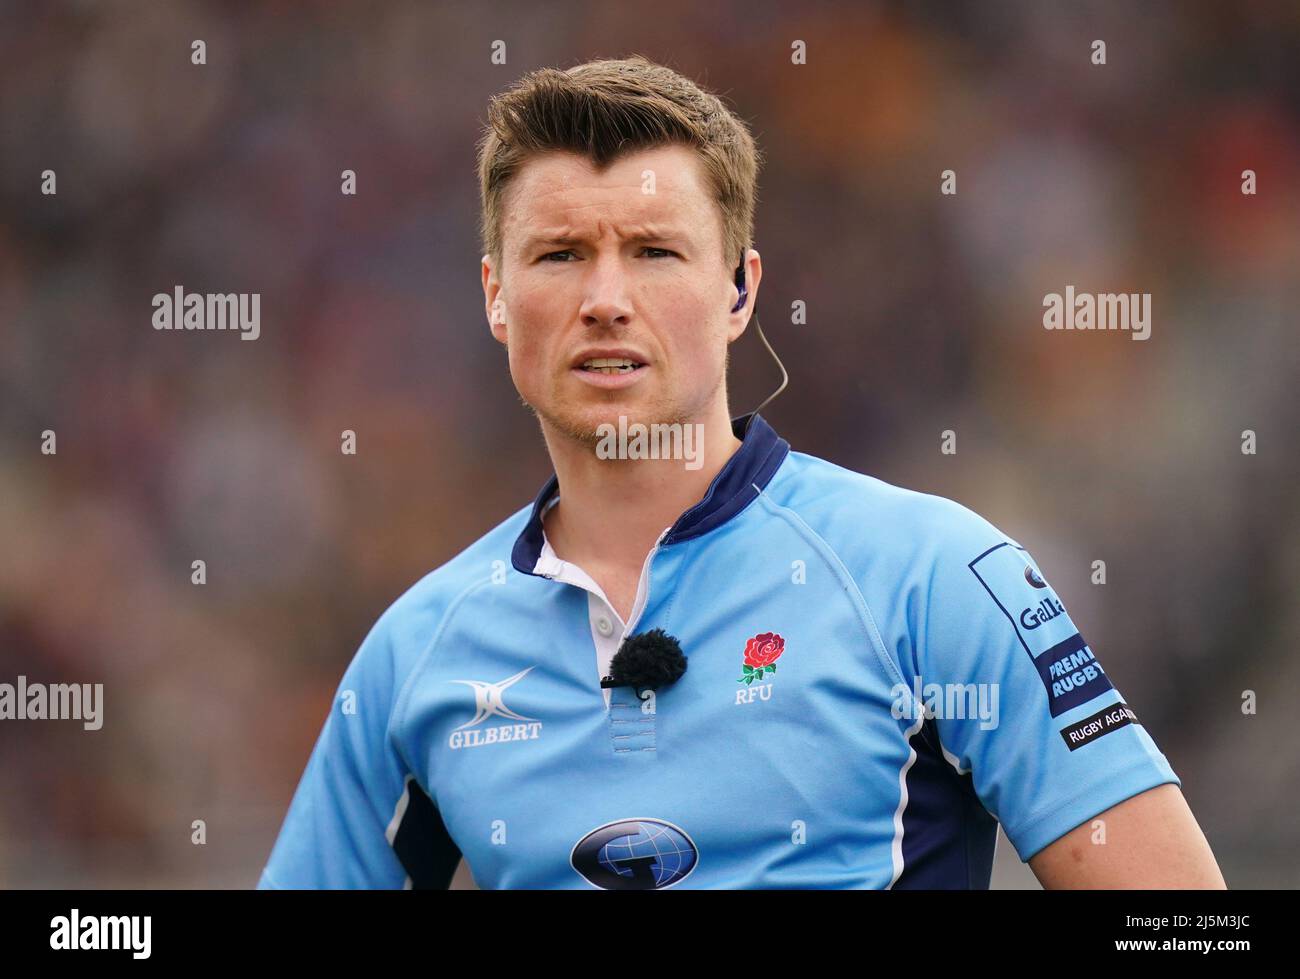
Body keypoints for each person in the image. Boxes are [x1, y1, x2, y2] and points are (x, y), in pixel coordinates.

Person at [258, 55, 1224, 889]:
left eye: (653, 252)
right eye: (559, 254)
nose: (604, 300)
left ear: (738, 291)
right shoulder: (418, 653)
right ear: (496, 298)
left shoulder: (934, 574)